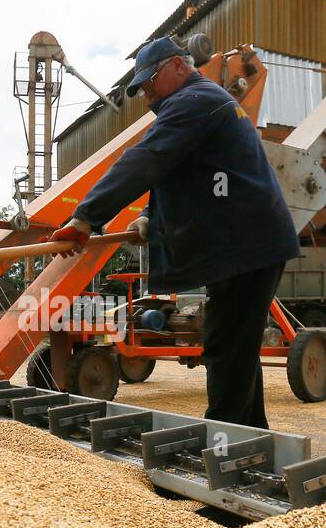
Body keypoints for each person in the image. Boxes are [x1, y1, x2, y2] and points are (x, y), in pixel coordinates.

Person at [51, 37, 301, 429]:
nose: (145, 91)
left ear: (179, 67)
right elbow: (184, 173)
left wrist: (85, 218)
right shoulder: (201, 103)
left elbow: (146, 160)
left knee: (224, 346)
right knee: (236, 348)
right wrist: (151, 218)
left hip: (247, 245)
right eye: (140, 86)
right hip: (249, 243)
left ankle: (223, 443)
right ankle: (250, 438)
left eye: (150, 79)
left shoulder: (195, 100)